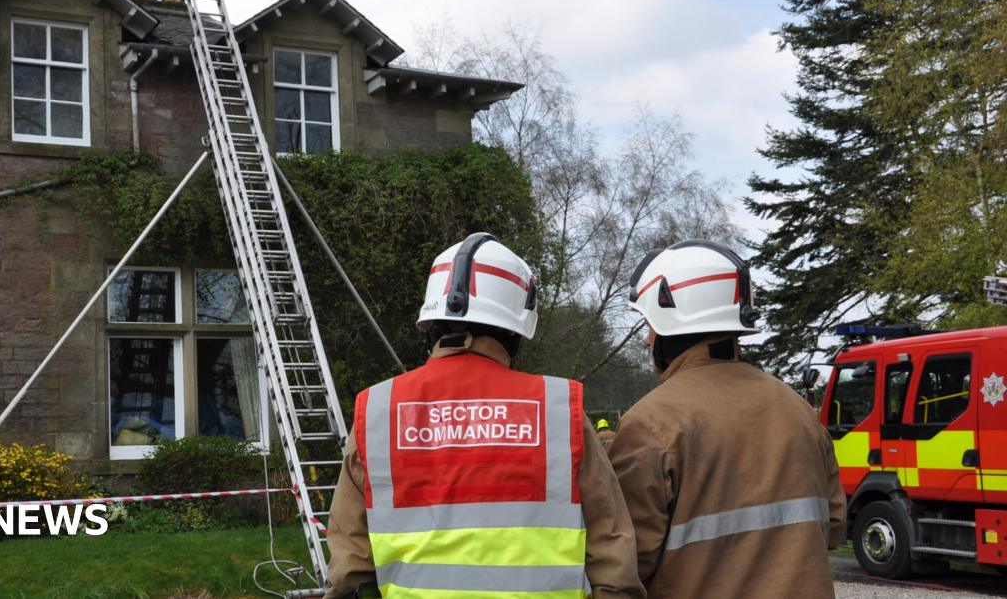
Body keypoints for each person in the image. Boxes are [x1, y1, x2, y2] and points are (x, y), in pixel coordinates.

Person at [325, 233, 646, 599]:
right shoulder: (556, 407)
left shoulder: (379, 410)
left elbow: (349, 567)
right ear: (515, 326)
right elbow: (613, 554)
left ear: (431, 322)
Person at [608, 239, 845, 598]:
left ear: (674, 316)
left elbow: (628, 561)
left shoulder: (652, 423)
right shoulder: (799, 410)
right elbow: (835, 526)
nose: (646, 339)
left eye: (650, 324)